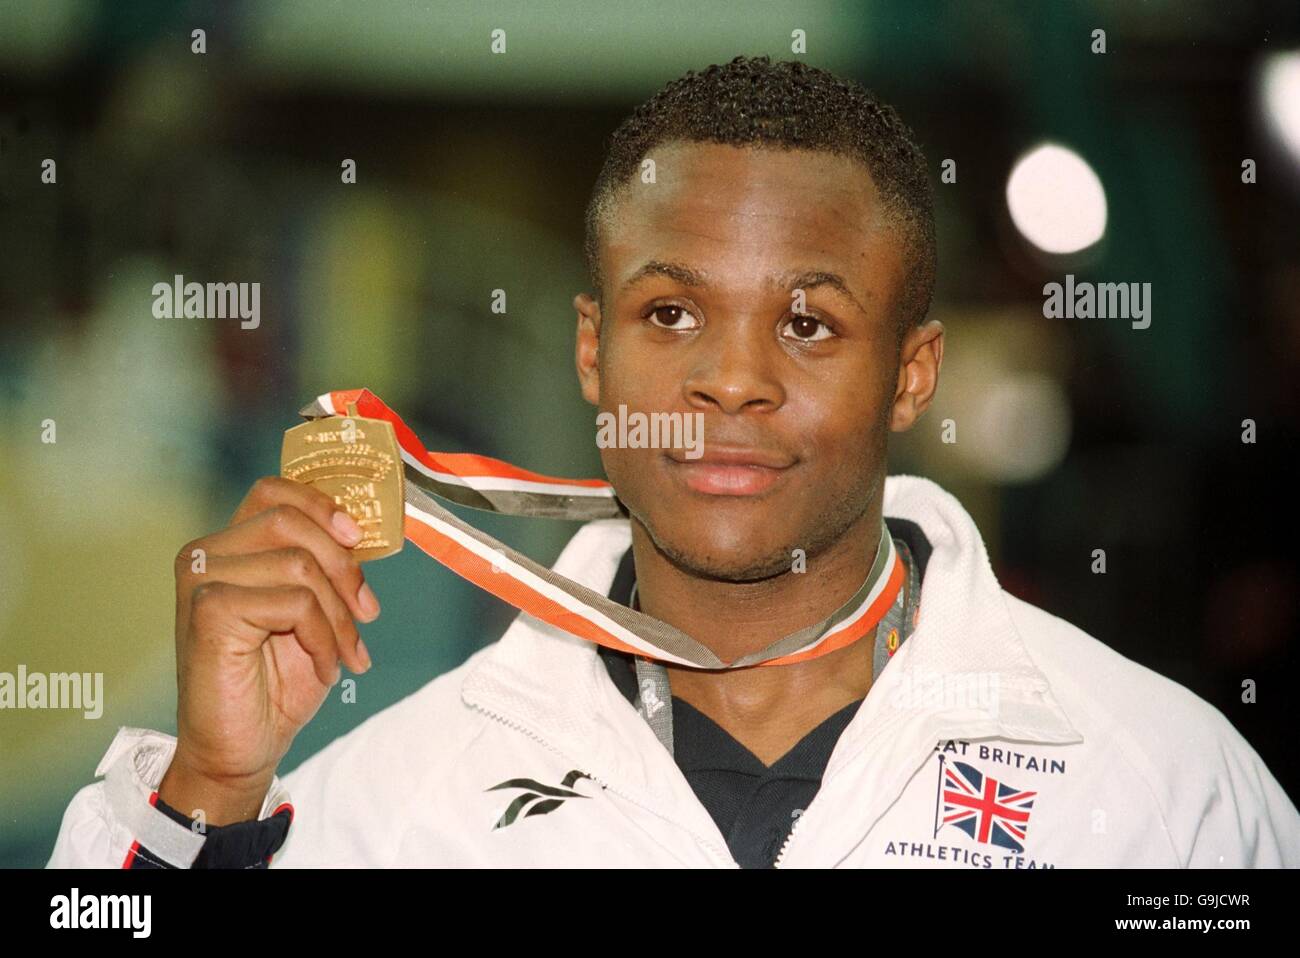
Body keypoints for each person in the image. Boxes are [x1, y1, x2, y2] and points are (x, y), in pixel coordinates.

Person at [48, 55, 1299, 869]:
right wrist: (208, 792)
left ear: (911, 373)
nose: (732, 379)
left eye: (807, 322)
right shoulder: (379, 805)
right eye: (670, 314)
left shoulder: (1157, 787)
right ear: (592, 351)